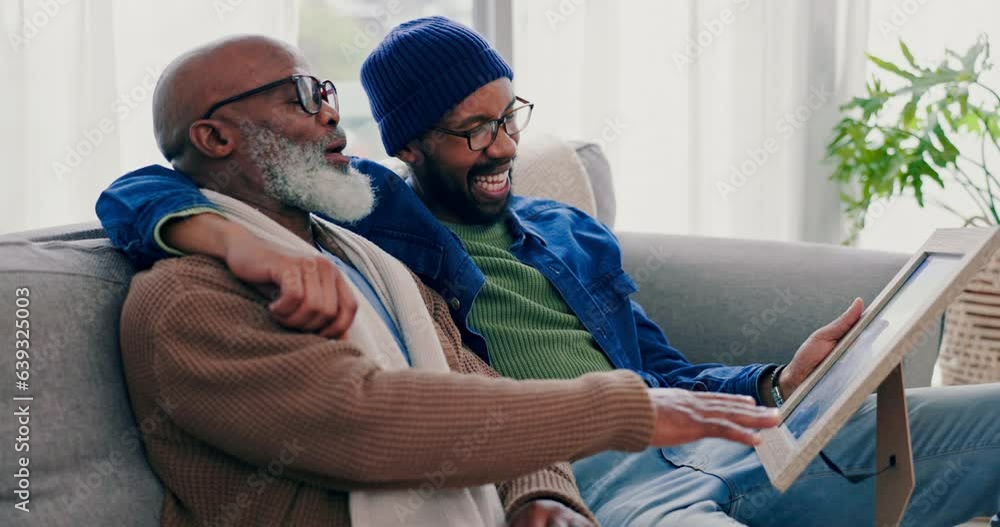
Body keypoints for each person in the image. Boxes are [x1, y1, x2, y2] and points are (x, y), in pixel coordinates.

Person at [98, 18, 1000, 527]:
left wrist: (775, 379)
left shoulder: (564, 232)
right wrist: (211, 228)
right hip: (608, 463)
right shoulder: (377, 221)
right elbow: (139, 183)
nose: (502, 146)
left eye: (508, 116)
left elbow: (664, 372)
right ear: (407, 145)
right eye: (470, 128)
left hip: (686, 440)